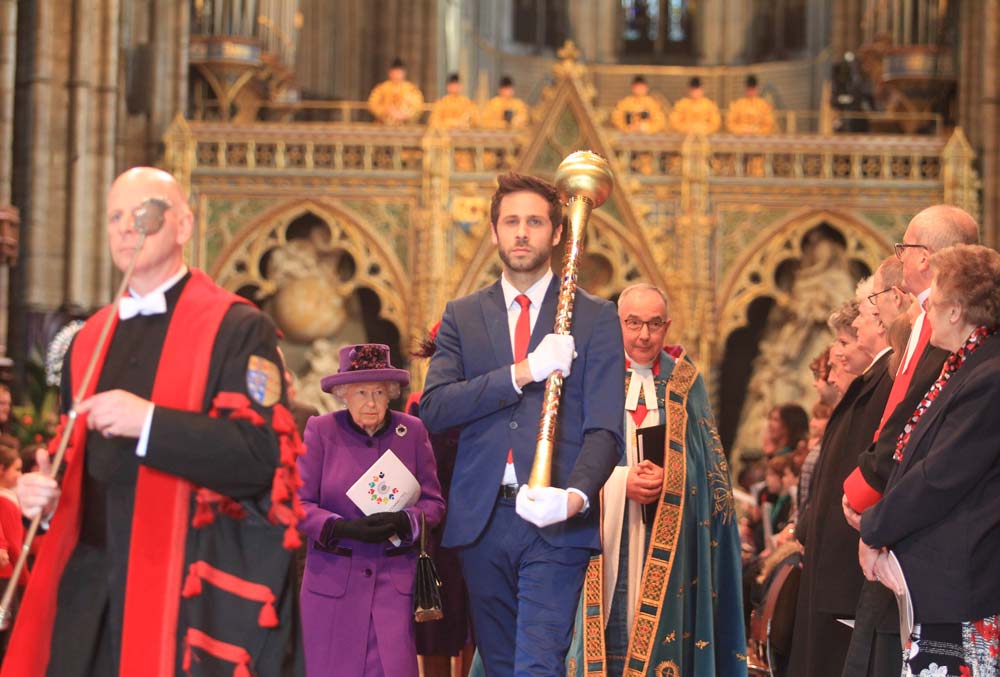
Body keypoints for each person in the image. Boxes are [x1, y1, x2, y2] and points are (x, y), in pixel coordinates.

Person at [4, 167, 305, 677]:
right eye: (115, 216)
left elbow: (259, 459)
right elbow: (76, 461)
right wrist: (47, 495)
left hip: (185, 591)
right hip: (91, 597)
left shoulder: (237, 327)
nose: (127, 227)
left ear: (184, 225)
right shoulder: (87, 339)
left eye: (144, 213)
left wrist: (149, 423)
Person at [420, 172, 624, 675]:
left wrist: (575, 495)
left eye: (534, 222)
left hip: (555, 521)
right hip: (483, 521)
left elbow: (605, 429)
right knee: (504, 665)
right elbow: (435, 408)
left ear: (557, 234)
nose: (521, 233)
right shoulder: (462, 316)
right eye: (511, 222)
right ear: (494, 232)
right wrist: (523, 372)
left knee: (537, 666)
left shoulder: (596, 318)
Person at [567, 284, 745, 676]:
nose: (644, 335)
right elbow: (562, 461)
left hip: (666, 541)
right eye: (633, 323)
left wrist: (674, 478)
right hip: (597, 537)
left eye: (654, 324)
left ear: (668, 326)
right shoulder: (588, 376)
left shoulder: (685, 384)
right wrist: (618, 483)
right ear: (617, 325)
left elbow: (712, 478)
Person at [842, 207, 980, 676]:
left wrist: (875, 524)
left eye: (933, 305)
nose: (921, 314)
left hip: (960, 580)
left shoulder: (985, 375)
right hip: (938, 570)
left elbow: (939, 473)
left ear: (958, 309)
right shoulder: (968, 366)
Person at [297, 343, 445, 677]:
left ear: (392, 393)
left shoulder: (412, 432)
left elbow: (434, 503)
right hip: (332, 587)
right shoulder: (321, 431)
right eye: (361, 392)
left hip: (392, 589)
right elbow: (298, 502)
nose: (371, 402)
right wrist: (340, 528)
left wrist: (406, 521)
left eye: (380, 392)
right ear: (343, 394)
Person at [787, 292, 894, 677]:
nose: (835, 354)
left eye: (844, 341)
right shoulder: (870, 385)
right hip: (832, 565)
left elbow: (866, 469)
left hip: (848, 566)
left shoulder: (881, 384)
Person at [406, 326, 475, 677]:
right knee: (434, 627)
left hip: (482, 525)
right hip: (436, 532)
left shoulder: (487, 401)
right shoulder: (417, 408)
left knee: (481, 626)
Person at [368, 57, 425, 125]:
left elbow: (418, 106)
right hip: (384, 124)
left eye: (399, 72)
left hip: (405, 125)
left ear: (404, 73)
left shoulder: (411, 89)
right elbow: (373, 103)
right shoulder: (381, 88)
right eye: (395, 72)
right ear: (390, 73)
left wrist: (405, 115)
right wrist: (385, 110)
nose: (397, 75)